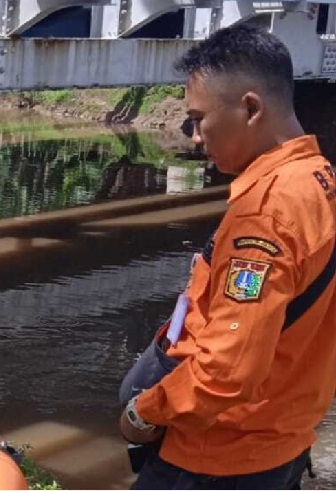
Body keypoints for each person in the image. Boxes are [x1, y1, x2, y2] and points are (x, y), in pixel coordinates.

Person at [119, 23, 336, 489]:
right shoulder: (322, 180)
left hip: (216, 456)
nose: (196, 137)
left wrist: (143, 413)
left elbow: (227, 373)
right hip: (282, 440)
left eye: (199, 119)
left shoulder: (266, 215)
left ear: (251, 109)